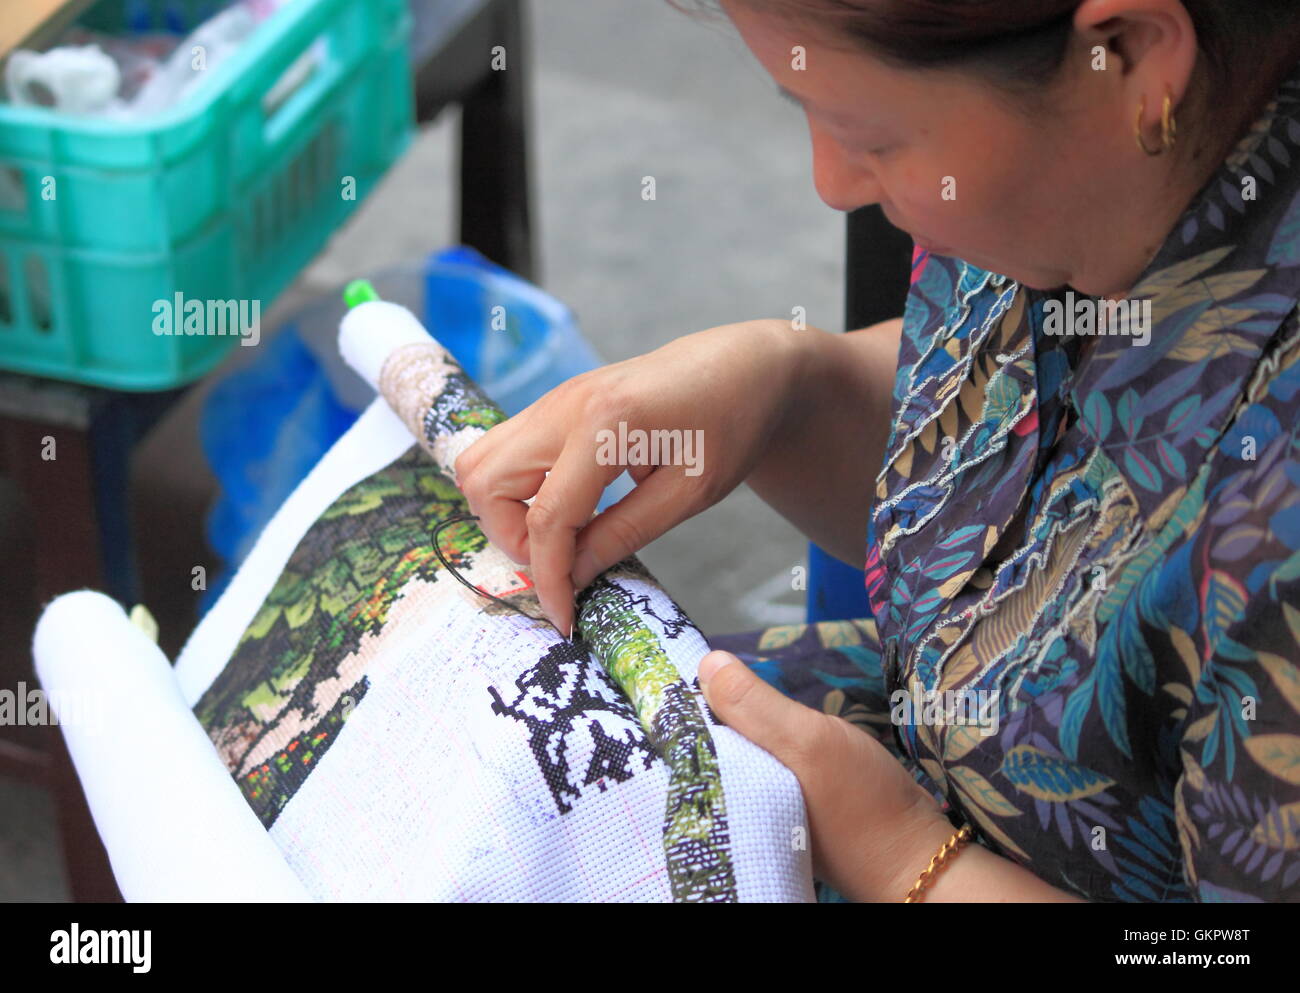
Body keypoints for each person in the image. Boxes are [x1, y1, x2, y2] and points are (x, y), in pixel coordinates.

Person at [455, 0, 1300, 902]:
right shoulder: (1083, 183)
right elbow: (1008, 477)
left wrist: (909, 863)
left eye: (873, 137)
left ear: (1127, 50)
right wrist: (782, 387)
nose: (832, 182)